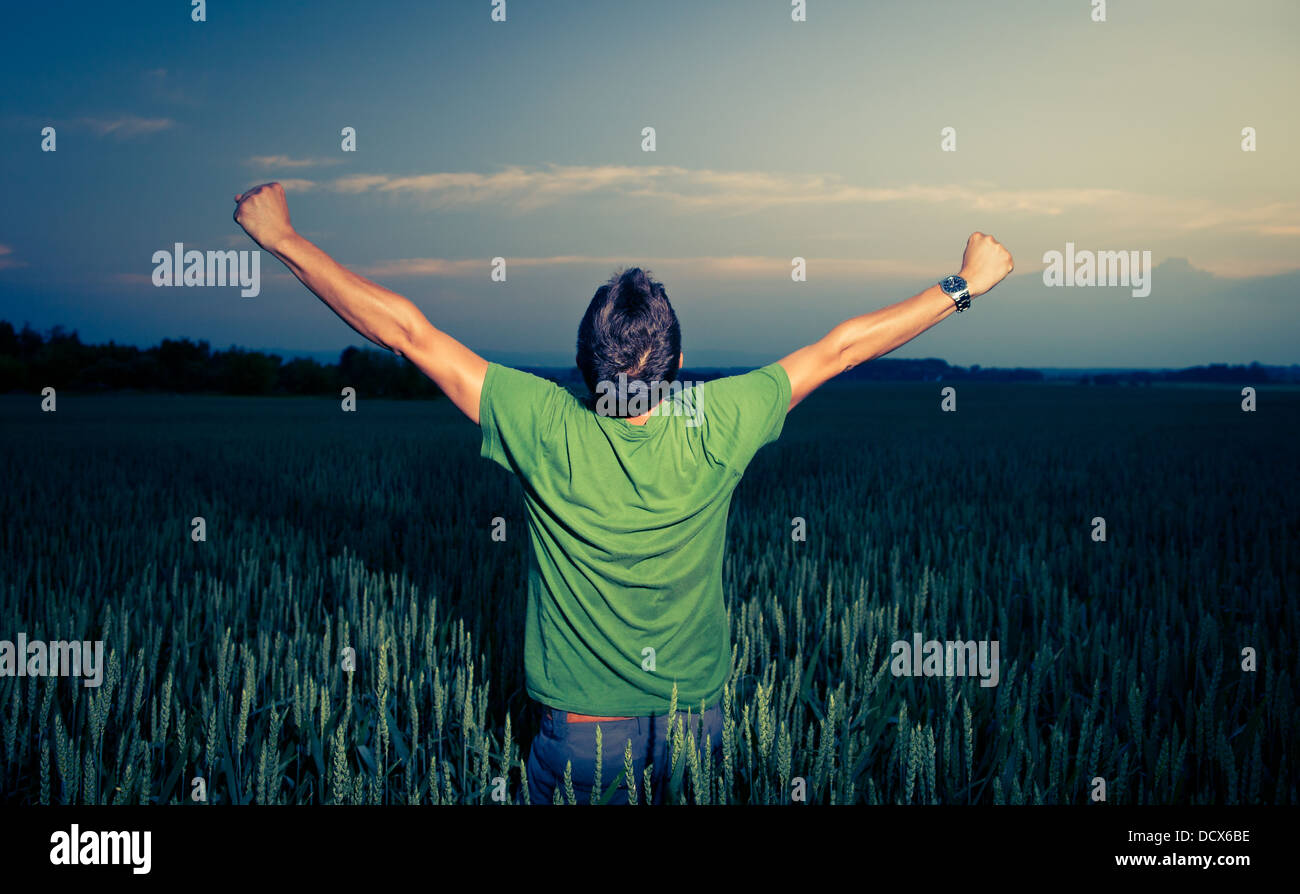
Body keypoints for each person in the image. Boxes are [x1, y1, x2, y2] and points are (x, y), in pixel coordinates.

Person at [233, 181, 1014, 804]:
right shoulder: (720, 420)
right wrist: (964, 284)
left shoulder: (543, 424)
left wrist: (282, 238)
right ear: (676, 364)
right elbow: (841, 350)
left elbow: (406, 331)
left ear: (584, 363)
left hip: (583, 737)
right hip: (696, 728)